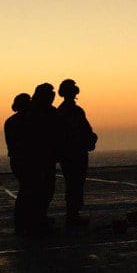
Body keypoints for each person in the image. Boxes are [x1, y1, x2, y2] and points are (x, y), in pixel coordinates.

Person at [57, 78, 97, 227]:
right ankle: (73, 215)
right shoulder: (71, 111)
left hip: (71, 152)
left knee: (74, 184)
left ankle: (73, 214)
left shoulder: (64, 110)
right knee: (75, 184)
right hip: (74, 153)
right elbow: (81, 131)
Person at [26, 83, 62, 234]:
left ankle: (39, 219)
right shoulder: (39, 114)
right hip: (39, 159)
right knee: (40, 191)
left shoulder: (35, 112)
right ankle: (37, 221)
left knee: (44, 191)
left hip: (44, 158)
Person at [4, 92, 37, 234]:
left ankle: (23, 222)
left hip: (17, 161)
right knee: (28, 193)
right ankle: (26, 223)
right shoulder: (25, 121)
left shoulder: (10, 121)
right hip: (25, 160)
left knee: (25, 192)